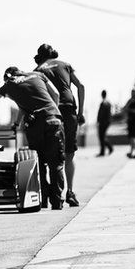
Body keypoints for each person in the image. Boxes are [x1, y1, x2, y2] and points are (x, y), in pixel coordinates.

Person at [0, 67, 66, 209]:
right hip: (53, 120)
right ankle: (57, 201)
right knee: (56, 163)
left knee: (38, 163)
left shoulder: (9, 84)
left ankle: (42, 200)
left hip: (36, 125)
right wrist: (52, 111)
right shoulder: (38, 75)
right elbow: (54, 94)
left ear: (7, 77)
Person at [33, 44, 85, 207]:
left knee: (50, 154)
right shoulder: (65, 65)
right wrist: (80, 112)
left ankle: (51, 192)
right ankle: (70, 191)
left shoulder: (38, 70)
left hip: (51, 112)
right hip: (69, 109)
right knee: (69, 153)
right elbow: (81, 86)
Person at [96, 90, 114, 157]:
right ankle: (107, 149)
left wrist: (98, 121)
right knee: (103, 136)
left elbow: (101, 114)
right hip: (107, 122)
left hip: (103, 122)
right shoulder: (108, 103)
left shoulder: (103, 103)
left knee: (102, 137)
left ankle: (105, 151)